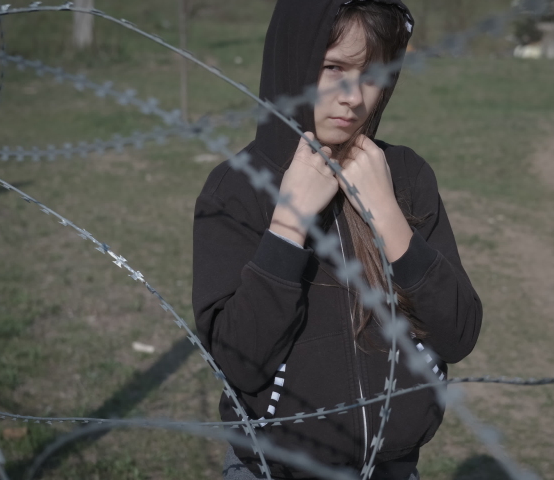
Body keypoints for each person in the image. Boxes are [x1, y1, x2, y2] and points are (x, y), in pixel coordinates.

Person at [192, 1, 482, 478]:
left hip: (391, 467)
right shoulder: (237, 189)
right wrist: (288, 225)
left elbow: (459, 332)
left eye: (373, 74)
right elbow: (239, 363)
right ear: (293, 64)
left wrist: (387, 214)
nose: (354, 97)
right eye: (334, 68)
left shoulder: (405, 176)